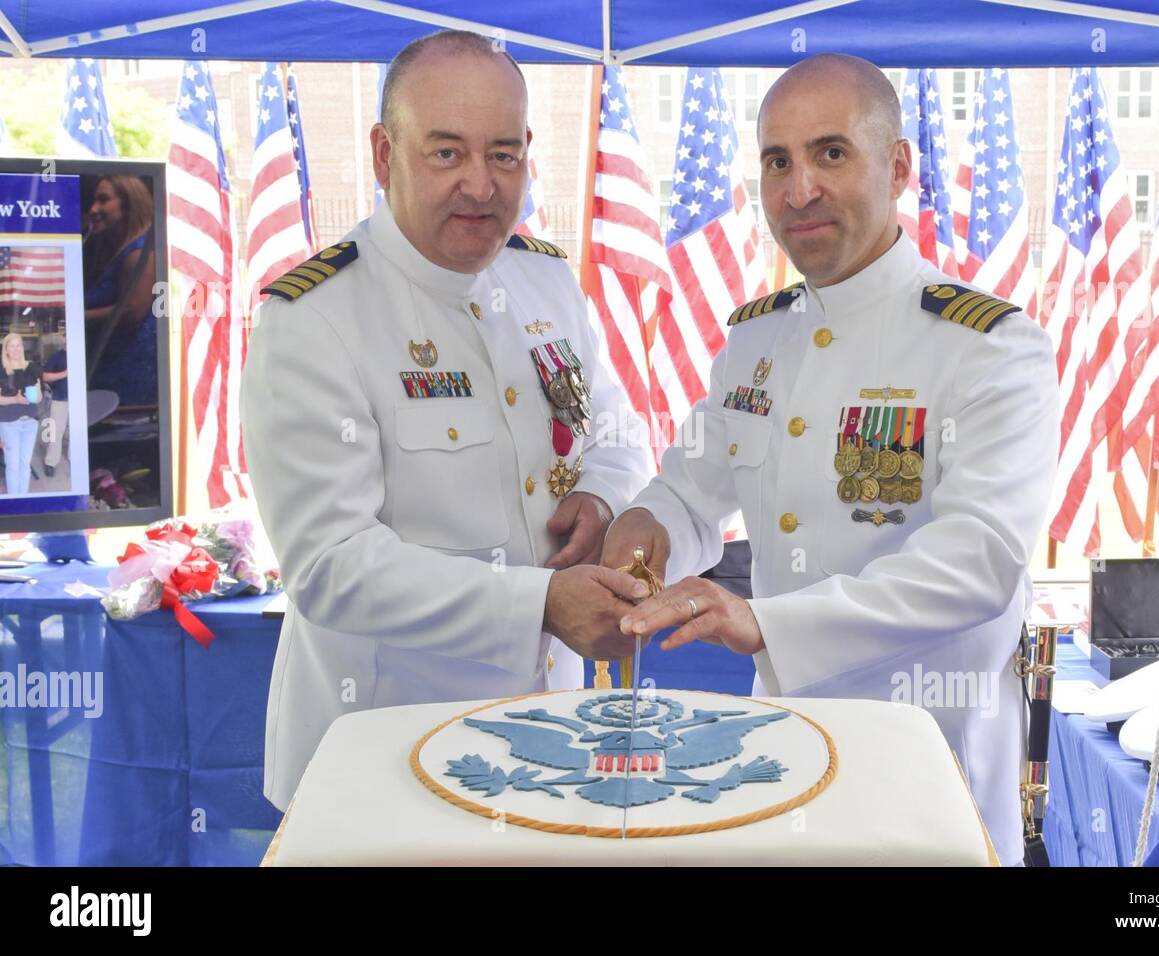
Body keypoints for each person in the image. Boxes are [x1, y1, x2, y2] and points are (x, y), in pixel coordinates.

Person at [601, 54, 1058, 865]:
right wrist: (646, 522)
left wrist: (765, 621)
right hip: (786, 766)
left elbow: (978, 561)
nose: (797, 189)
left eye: (830, 153)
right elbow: (694, 483)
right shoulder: (758, 338)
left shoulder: (986, 346)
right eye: (778, 160)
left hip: (930, 776)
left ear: (900, 166)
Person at [241, 31, 651, 811]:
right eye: (446, 153)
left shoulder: (544, 280)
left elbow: (617, 431)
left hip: (544, 743)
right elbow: (331, 565)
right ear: (383, 153)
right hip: (381, 764)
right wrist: (538, 604)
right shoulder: (317, 317)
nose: (480, 185)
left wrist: (600, 498)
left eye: (503, 155)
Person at [83, 175, 157, 406]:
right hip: (108, 371)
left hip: (128, 380)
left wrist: (73, 318)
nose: (94, 209)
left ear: (129, 203)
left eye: (103, 200)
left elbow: (132, 310)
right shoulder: (111, 251)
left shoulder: (139, 253)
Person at [0, 332, 44, 495]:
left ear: (22, 347)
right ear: (6, 350)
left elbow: (38, 397)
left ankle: (23, 499)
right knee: (12, 464)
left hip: (30, 422)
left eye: (18, 345)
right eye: (12, 346)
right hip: (8, 423)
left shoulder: (32, 368)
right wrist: (16, 400)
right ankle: (13, 501)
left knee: (25, 464)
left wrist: (35, 397)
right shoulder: (2, 370)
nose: (16, 349)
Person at [42, 335, 69, 477]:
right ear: (63, 339)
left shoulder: (83, 355)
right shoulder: (56, 357)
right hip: (60, 399)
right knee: (55, 433)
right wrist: (65, 373)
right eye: (67, 337)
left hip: (80, 401)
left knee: (77, 432)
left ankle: (74, 458)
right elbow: (45, 377)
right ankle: (51, 462)